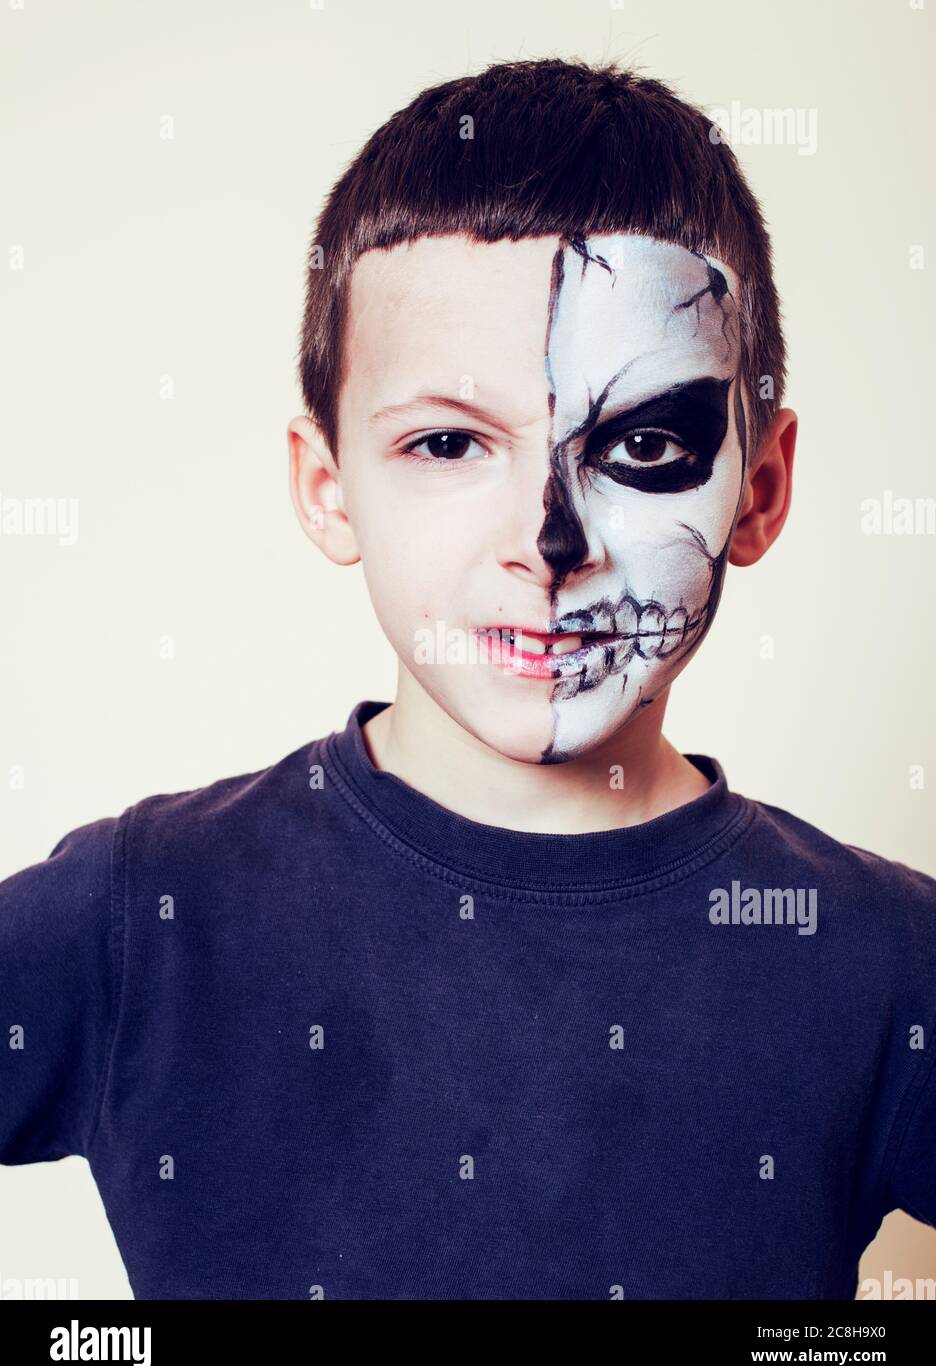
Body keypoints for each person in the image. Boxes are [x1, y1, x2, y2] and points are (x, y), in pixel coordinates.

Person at [2, 58, 934, 1300]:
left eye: (643, 442)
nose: (547, 542)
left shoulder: (887, 958)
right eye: (447, 443)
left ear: (759, 486)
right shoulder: (147, 914)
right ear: (326, 484)